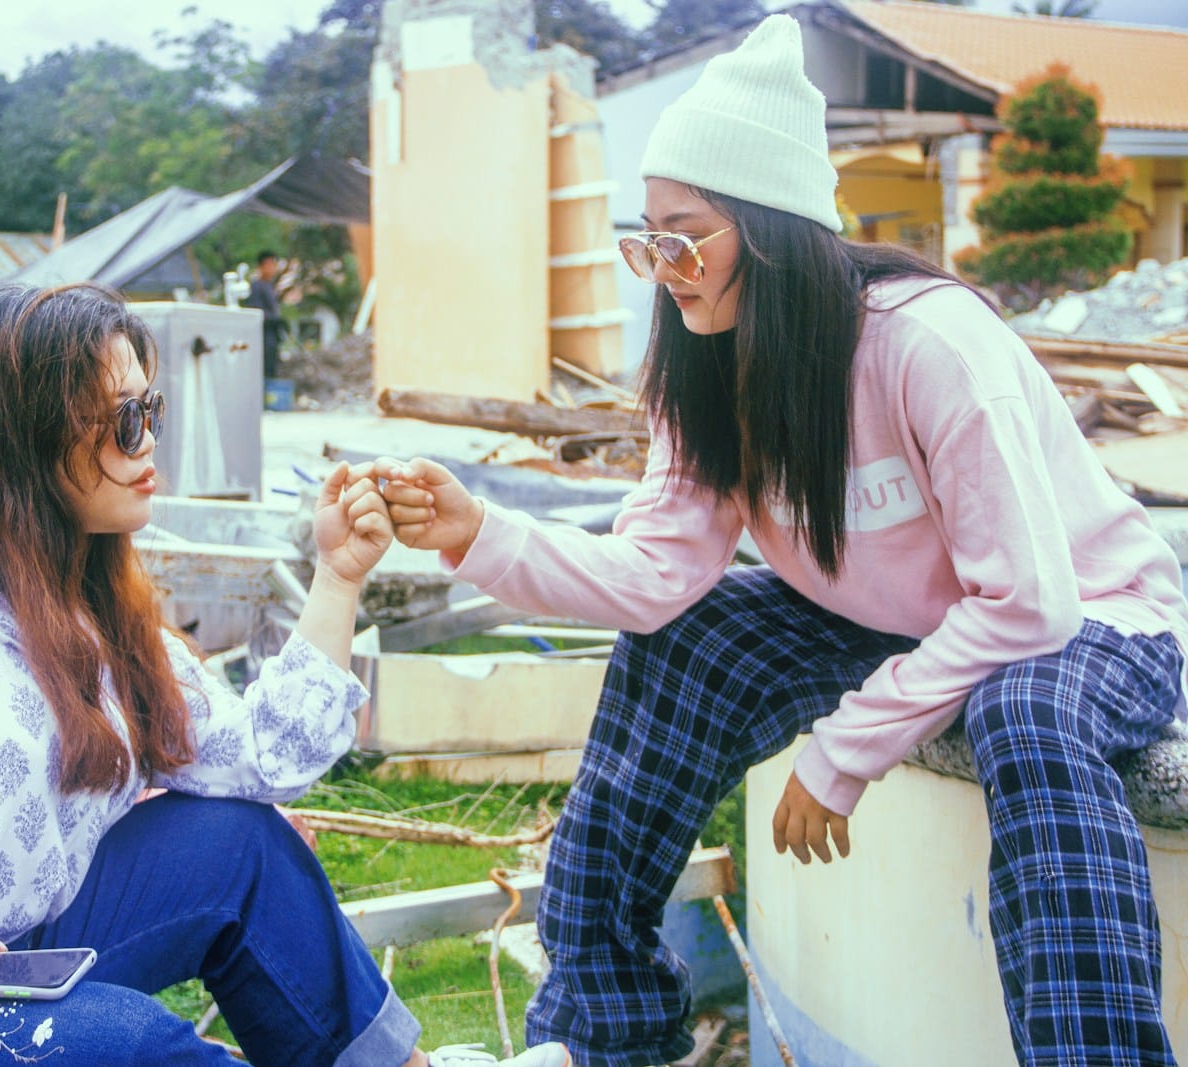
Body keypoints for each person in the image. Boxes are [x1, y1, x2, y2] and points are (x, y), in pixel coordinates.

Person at [374, 15, 1188, 1067]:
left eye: (684, 233)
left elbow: (1029, 606)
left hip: (1092, 620)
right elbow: (660, 575)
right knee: (691, 640)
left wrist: (845, 748)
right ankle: (598, 1032)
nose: (659, 263)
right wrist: (478, 530)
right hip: (895, 626)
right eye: (648, 233)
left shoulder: (928, 344)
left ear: (770, 227)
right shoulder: (702, 364)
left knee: (1021, 709)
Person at [0, 283, 570, 1067]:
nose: (149, 441)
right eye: (124, 419)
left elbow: (255, 761)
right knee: (129, 1046)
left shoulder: (85, 594)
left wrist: (339, 576)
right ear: (22, 434)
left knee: (237, 844)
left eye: (149, 409)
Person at [248, 250, 288, 380]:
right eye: (270, 265)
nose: (273, 268)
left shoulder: (270, 286)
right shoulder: (257, 286)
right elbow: (257, 312)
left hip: (273, 336)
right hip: (263, 337)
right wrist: (275, 319)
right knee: (265, 371)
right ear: (262, 266)